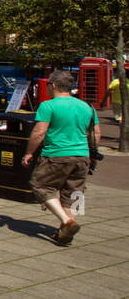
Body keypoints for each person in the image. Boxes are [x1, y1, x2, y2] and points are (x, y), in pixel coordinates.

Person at [24, 70, 99, 246]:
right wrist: (91, 155)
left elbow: (39, 132)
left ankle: (66, 221)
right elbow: (96, 133)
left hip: (56, 154)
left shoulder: (48, 106)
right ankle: (65, 234)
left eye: (49, 85)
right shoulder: (87, 107)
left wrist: (29, 152)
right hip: (82, 155)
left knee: (40, 185)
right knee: (73, 193)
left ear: (54, 85)